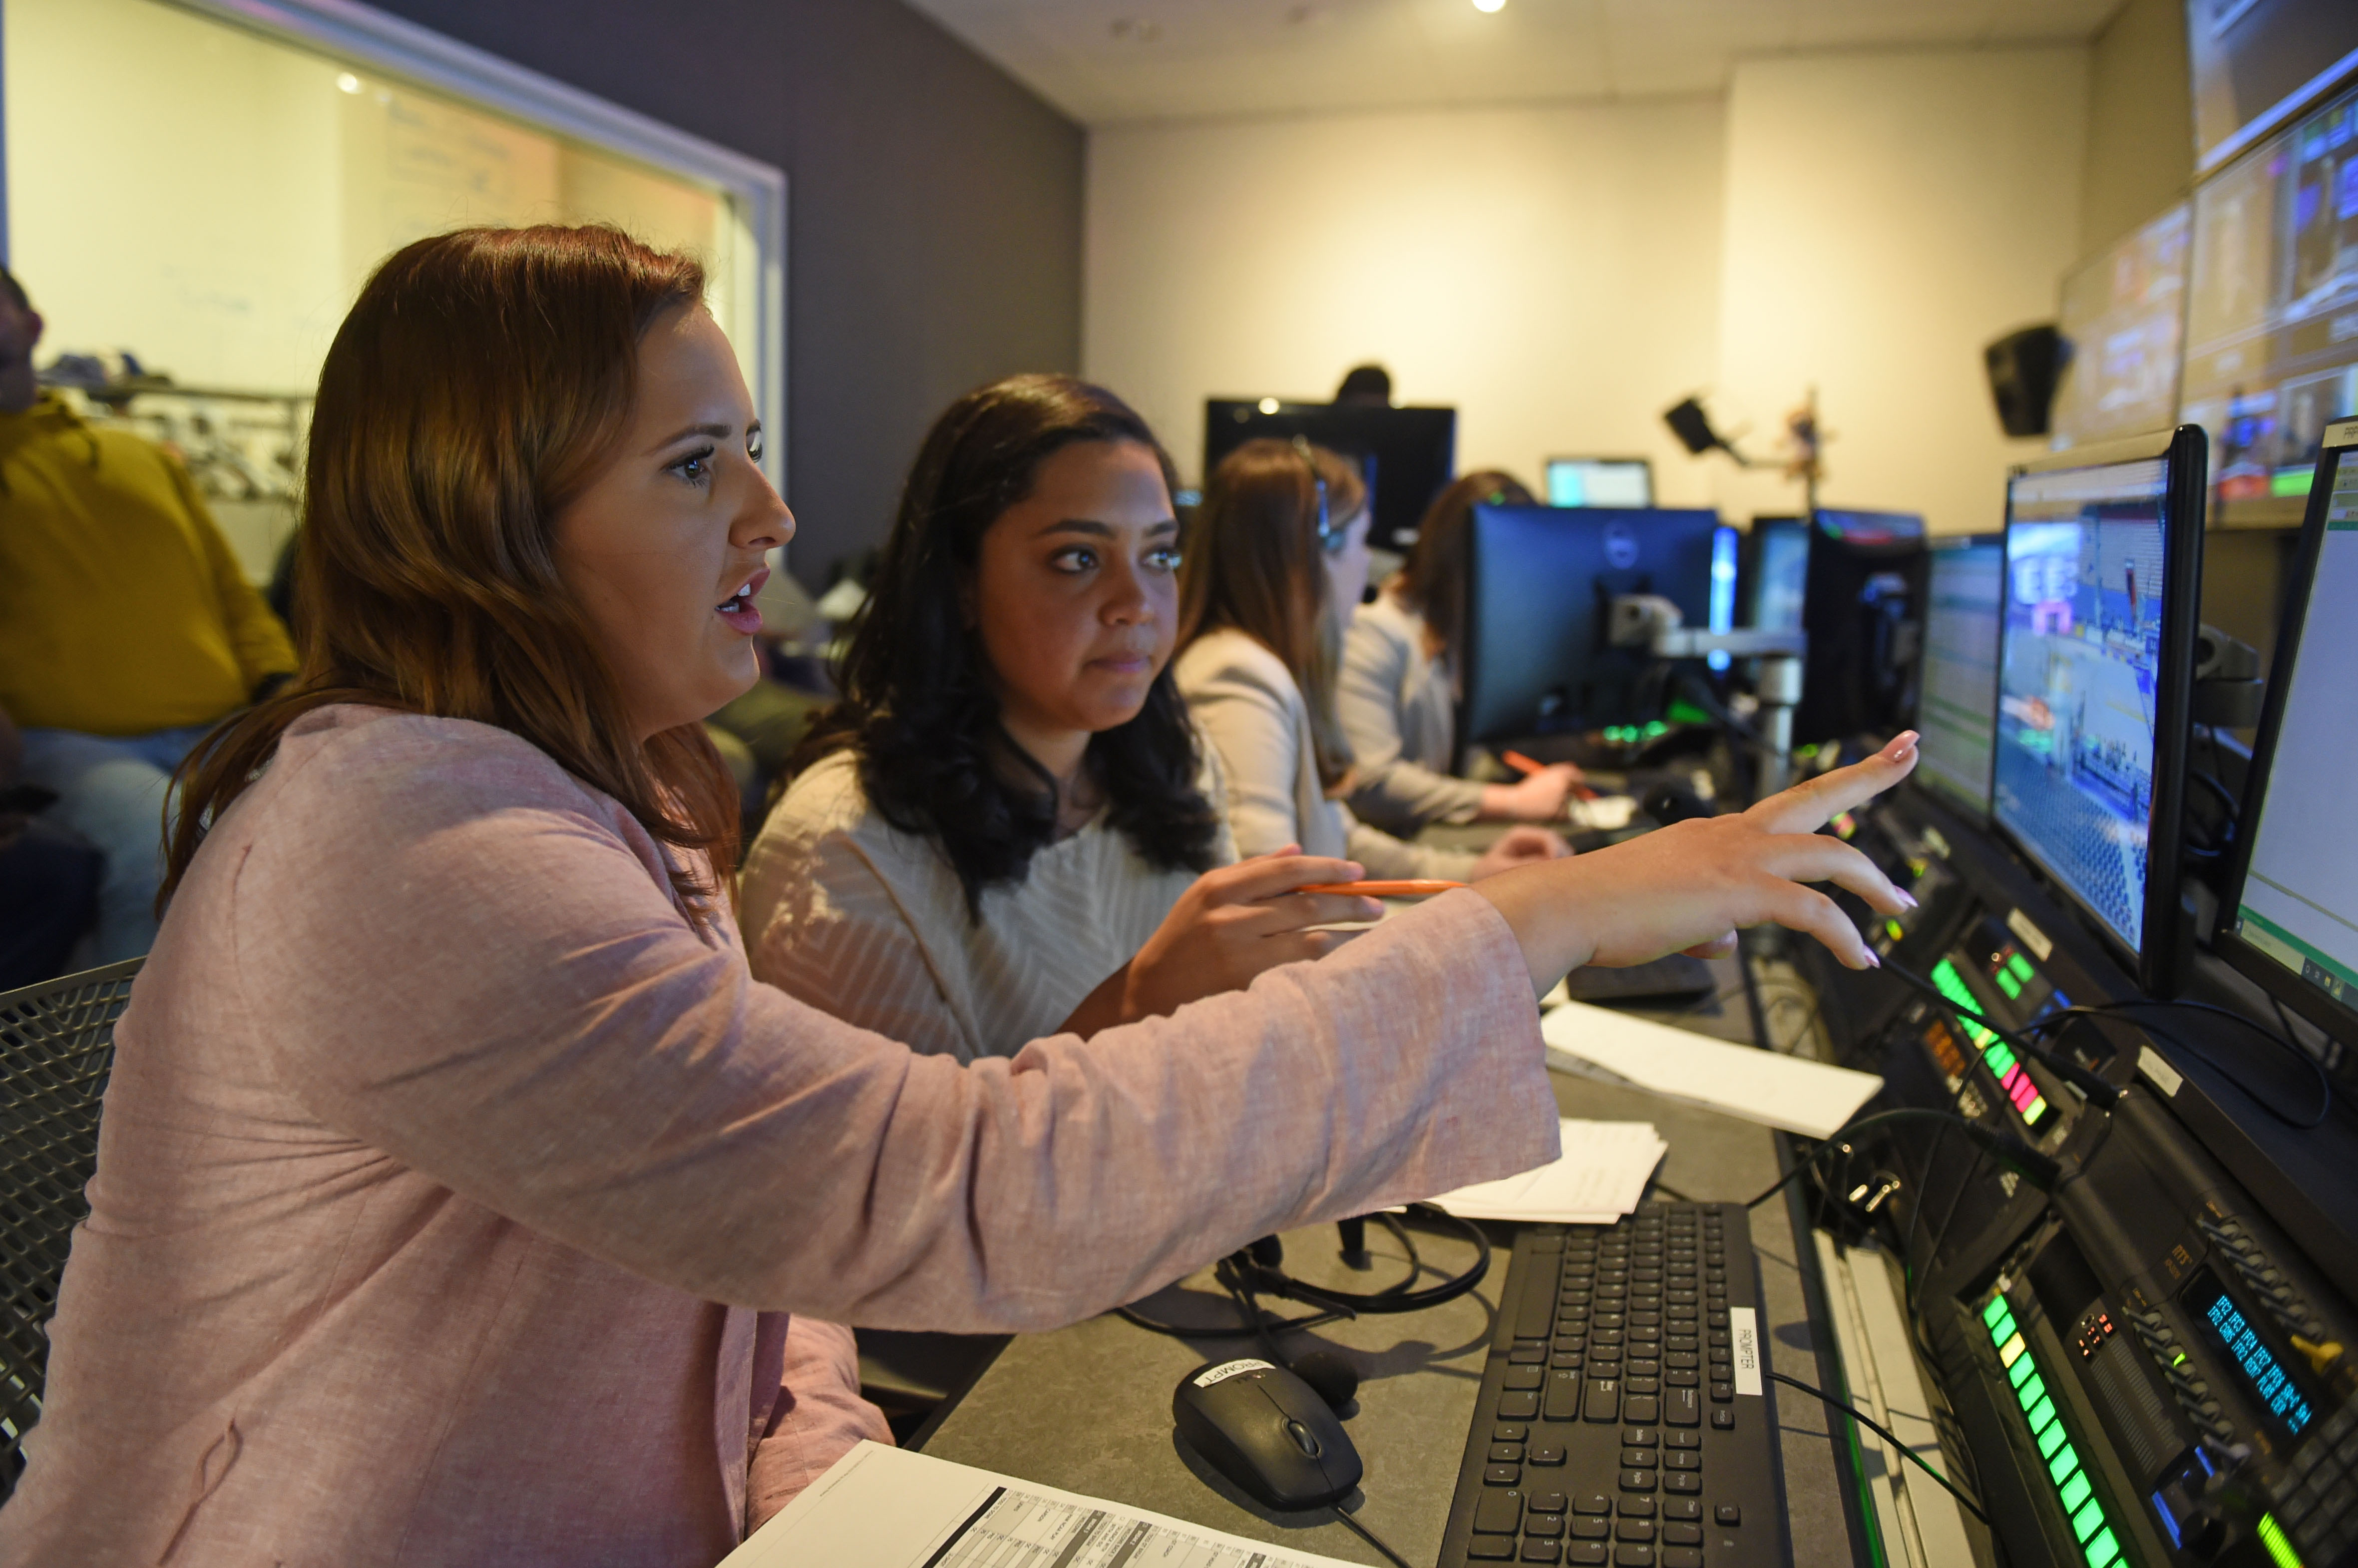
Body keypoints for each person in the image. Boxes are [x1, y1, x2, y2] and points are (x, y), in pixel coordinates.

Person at [0, 224, 1919, 1566]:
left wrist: (825, 1480)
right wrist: (1526, 921)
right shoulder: (411, 849)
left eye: (750, 448)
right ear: (484, 518)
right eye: (696, 462)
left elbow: (764, 1250)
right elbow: (935, 1187)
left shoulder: (611, 805)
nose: (767, 513)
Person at [743, 374, 1380, 1061]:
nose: (1135, 602)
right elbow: (910, 1161)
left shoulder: (1175, 762)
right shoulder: (846, 851)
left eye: (1159, 555)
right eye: (1078, 559)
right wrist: (1136, 1001)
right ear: (961, 585)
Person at [0, 264, 297, 962]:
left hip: (221, 727)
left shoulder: (139, 458)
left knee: (335, 830)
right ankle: (131, 1071)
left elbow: (230, 590)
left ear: (31, 324)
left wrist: (283, 688)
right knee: (156, 851)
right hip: (70, 748)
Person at [1174, 438, 1568, 882]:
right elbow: (1265, 889)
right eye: (1362, 542)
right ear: (1314, 556)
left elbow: (1339, 836)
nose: (1368, 564)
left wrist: (1474, 872)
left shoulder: (1265, 664)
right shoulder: (1240, 676)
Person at [1336, 470, 1586, 835]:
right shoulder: (1374, 634)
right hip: (1390, 855)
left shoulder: (1468, 637)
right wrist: (1513, 802)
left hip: (1438, 841)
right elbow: (1372, 782)